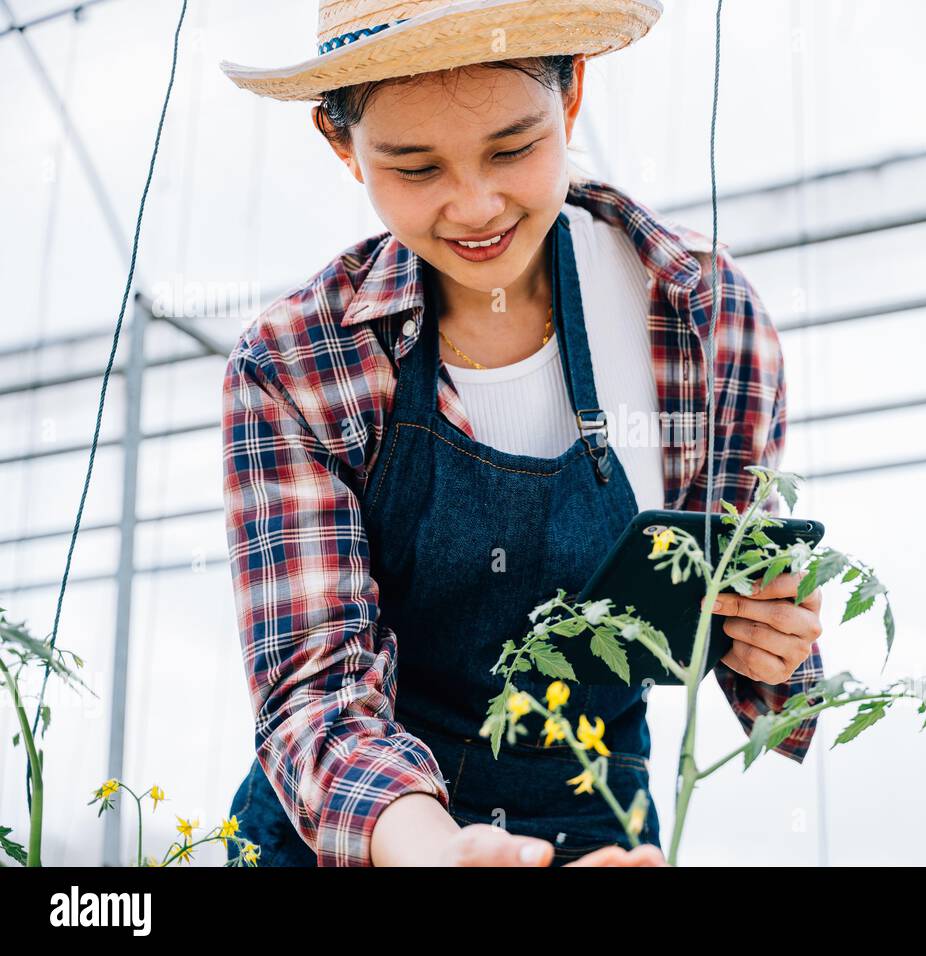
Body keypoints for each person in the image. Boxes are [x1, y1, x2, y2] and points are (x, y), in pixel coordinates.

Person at [218, 0, 825, 867]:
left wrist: (770, 645)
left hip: (591, 817)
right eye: (415, 167)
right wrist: (431, 849)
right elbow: (315, 688)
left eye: (512, 149)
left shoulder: (700, 315)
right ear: (340, 142)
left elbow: (720, 618)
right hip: (356, 839)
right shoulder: (302, 363)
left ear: (572, 92)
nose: (475, 205)